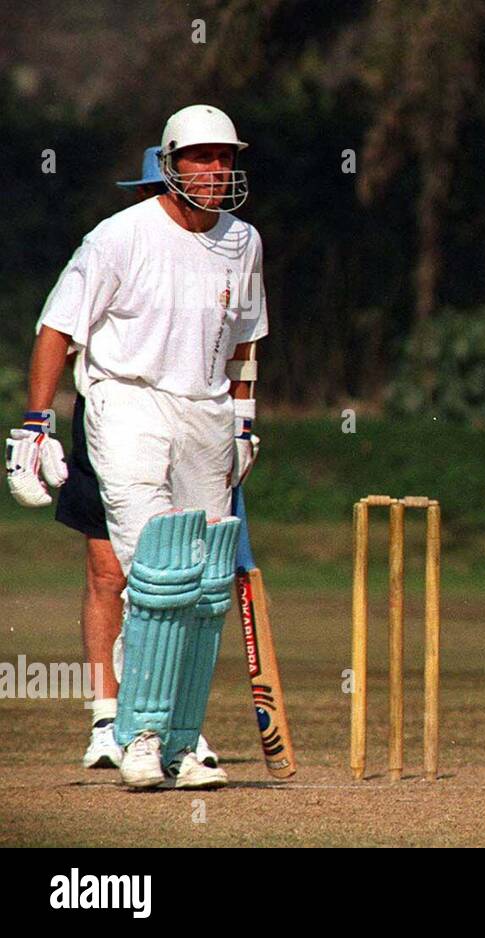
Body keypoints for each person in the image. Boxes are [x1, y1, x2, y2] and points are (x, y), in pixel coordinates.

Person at [5, 105, 267, 789]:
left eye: (225, 158)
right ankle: (138, 734)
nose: (215, 171)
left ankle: (182, 736)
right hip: (127, 404)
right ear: (170, 163)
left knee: (207, 585)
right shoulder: (119, 237)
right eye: (200, 158)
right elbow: (57, 328)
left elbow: (244, 342)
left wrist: (244, 420)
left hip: (206, 412)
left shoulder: (245, 241)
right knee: (157, 569)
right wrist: (37, 422)